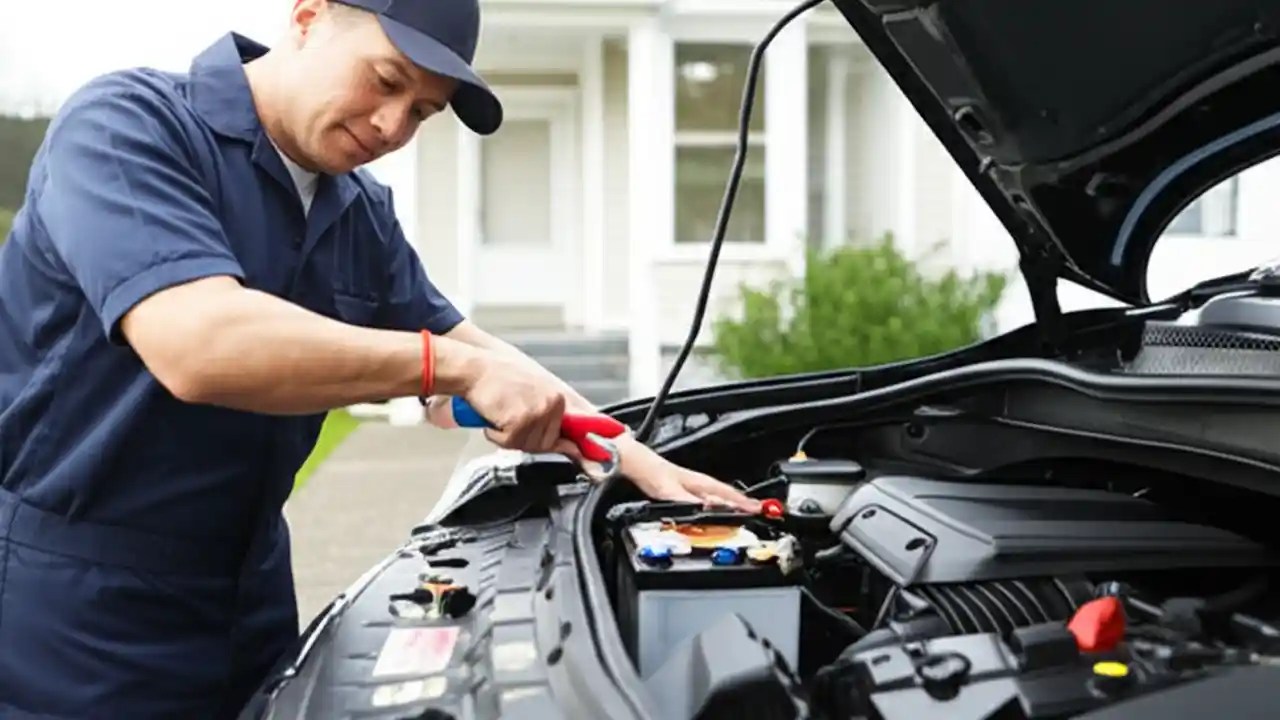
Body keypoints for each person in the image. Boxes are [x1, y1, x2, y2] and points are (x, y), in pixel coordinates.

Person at [0, 0, 759, 716]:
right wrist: (449, 371)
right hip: (76, 598)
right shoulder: (129, 126)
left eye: (422, 111)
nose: (394, 125)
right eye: (387, 81)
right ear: (307, 16)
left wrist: (639, 459)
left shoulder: (355, 208)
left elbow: (476, 350)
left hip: (249, 587)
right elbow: (199, 344)